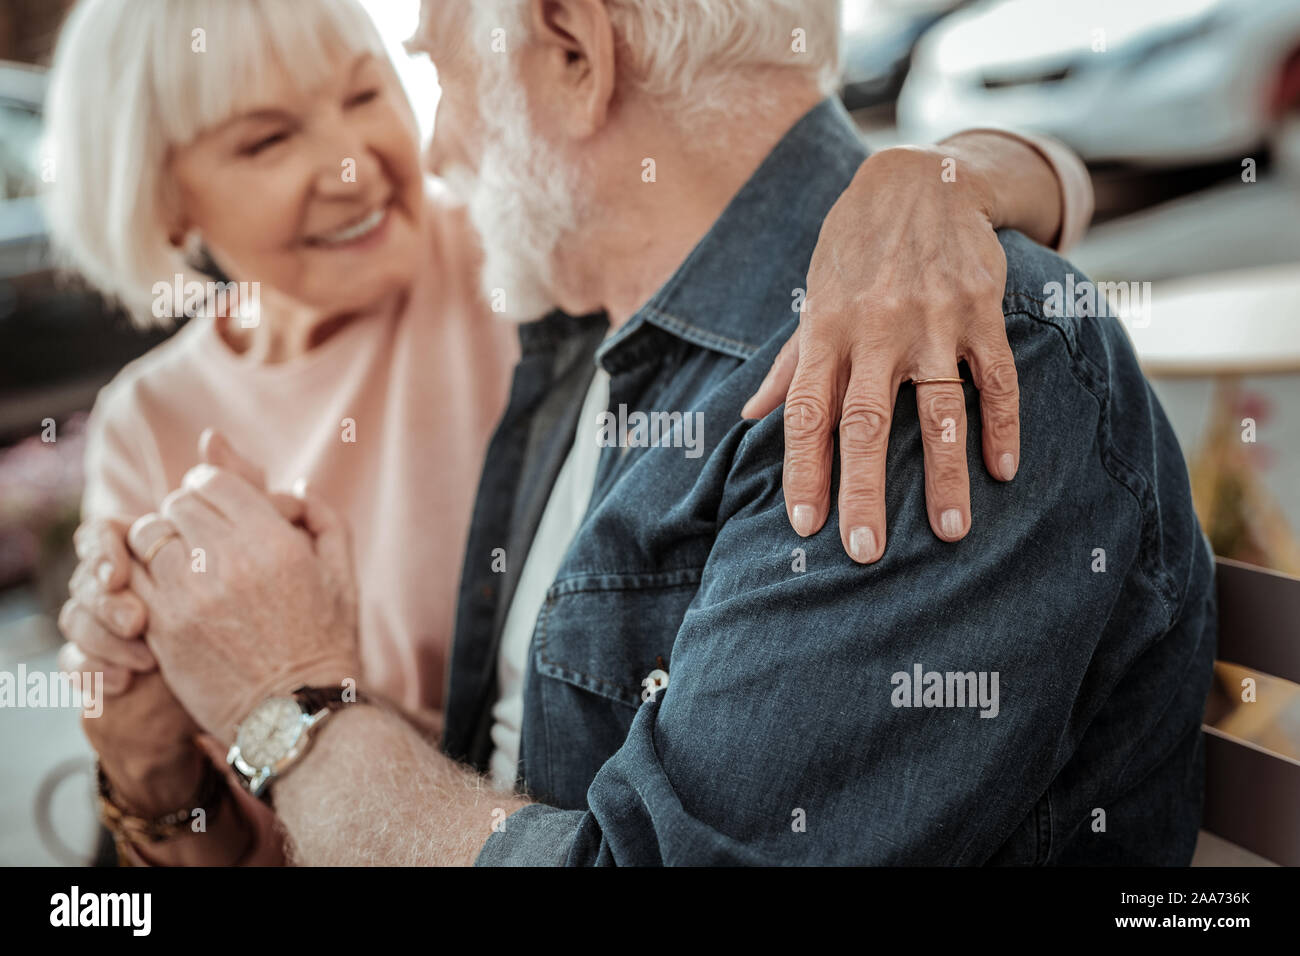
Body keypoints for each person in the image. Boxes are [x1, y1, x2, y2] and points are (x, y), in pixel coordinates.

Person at [56, 0, 1110, 866]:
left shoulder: (513, 262)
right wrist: (153, 770)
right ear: (165, 200)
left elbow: (768, 191)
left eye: (377, 87)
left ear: (574, 49)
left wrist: (953, 176)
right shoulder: (151, 421)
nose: (380, 162)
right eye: (268, 137)